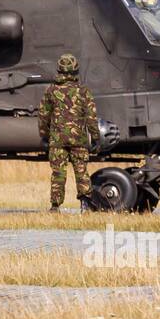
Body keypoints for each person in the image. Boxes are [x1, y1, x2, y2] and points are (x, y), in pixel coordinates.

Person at [38, 53, 99, 211]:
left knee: (58, 173)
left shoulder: (51, 91)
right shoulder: (83, 91)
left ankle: (55, 207)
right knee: (81, 171)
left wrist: (45, 136)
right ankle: (85, 204)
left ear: (59, 69)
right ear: (76, 70)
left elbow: (43, 116)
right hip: (78, 140)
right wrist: (96, 138)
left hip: (57, 140)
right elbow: (91, 118)